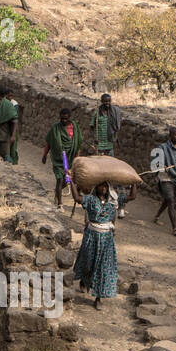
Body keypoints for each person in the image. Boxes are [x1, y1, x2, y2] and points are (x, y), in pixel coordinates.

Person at [70, 180, 120, 309]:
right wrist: (72, 183)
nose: (103, 188)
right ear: (96, 187)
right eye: (100, 186)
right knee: (88, 261)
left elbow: (132, 197)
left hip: (106, 239)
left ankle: (98, 298)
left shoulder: (113, 201)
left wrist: (134, 183)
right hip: (92, 236)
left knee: (103, 267)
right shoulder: (91, 200)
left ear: (108, 188)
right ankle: (85, 280)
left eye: (105, 186)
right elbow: (77, 198)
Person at [150, 126, 176, 236]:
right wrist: (160, 170)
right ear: (170, 136)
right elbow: (156, 163)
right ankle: (175, 228)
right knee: (171, 200)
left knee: (168, 201)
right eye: (175, 135)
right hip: (165, 177)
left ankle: (157, 216)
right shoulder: (163, 148)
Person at [42, 107, 83, 209]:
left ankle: (57, 192)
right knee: (60, 179)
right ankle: (60, 203)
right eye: (62, 119)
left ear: (70, 118)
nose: (64, 121)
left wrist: (77, 158)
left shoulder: (75, 127)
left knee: (69, 179)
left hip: (71, 158)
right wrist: (44, 155)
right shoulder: (55, 128)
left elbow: (78, 143)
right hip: (59, 159)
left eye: (66, 119)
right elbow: (49, 142)